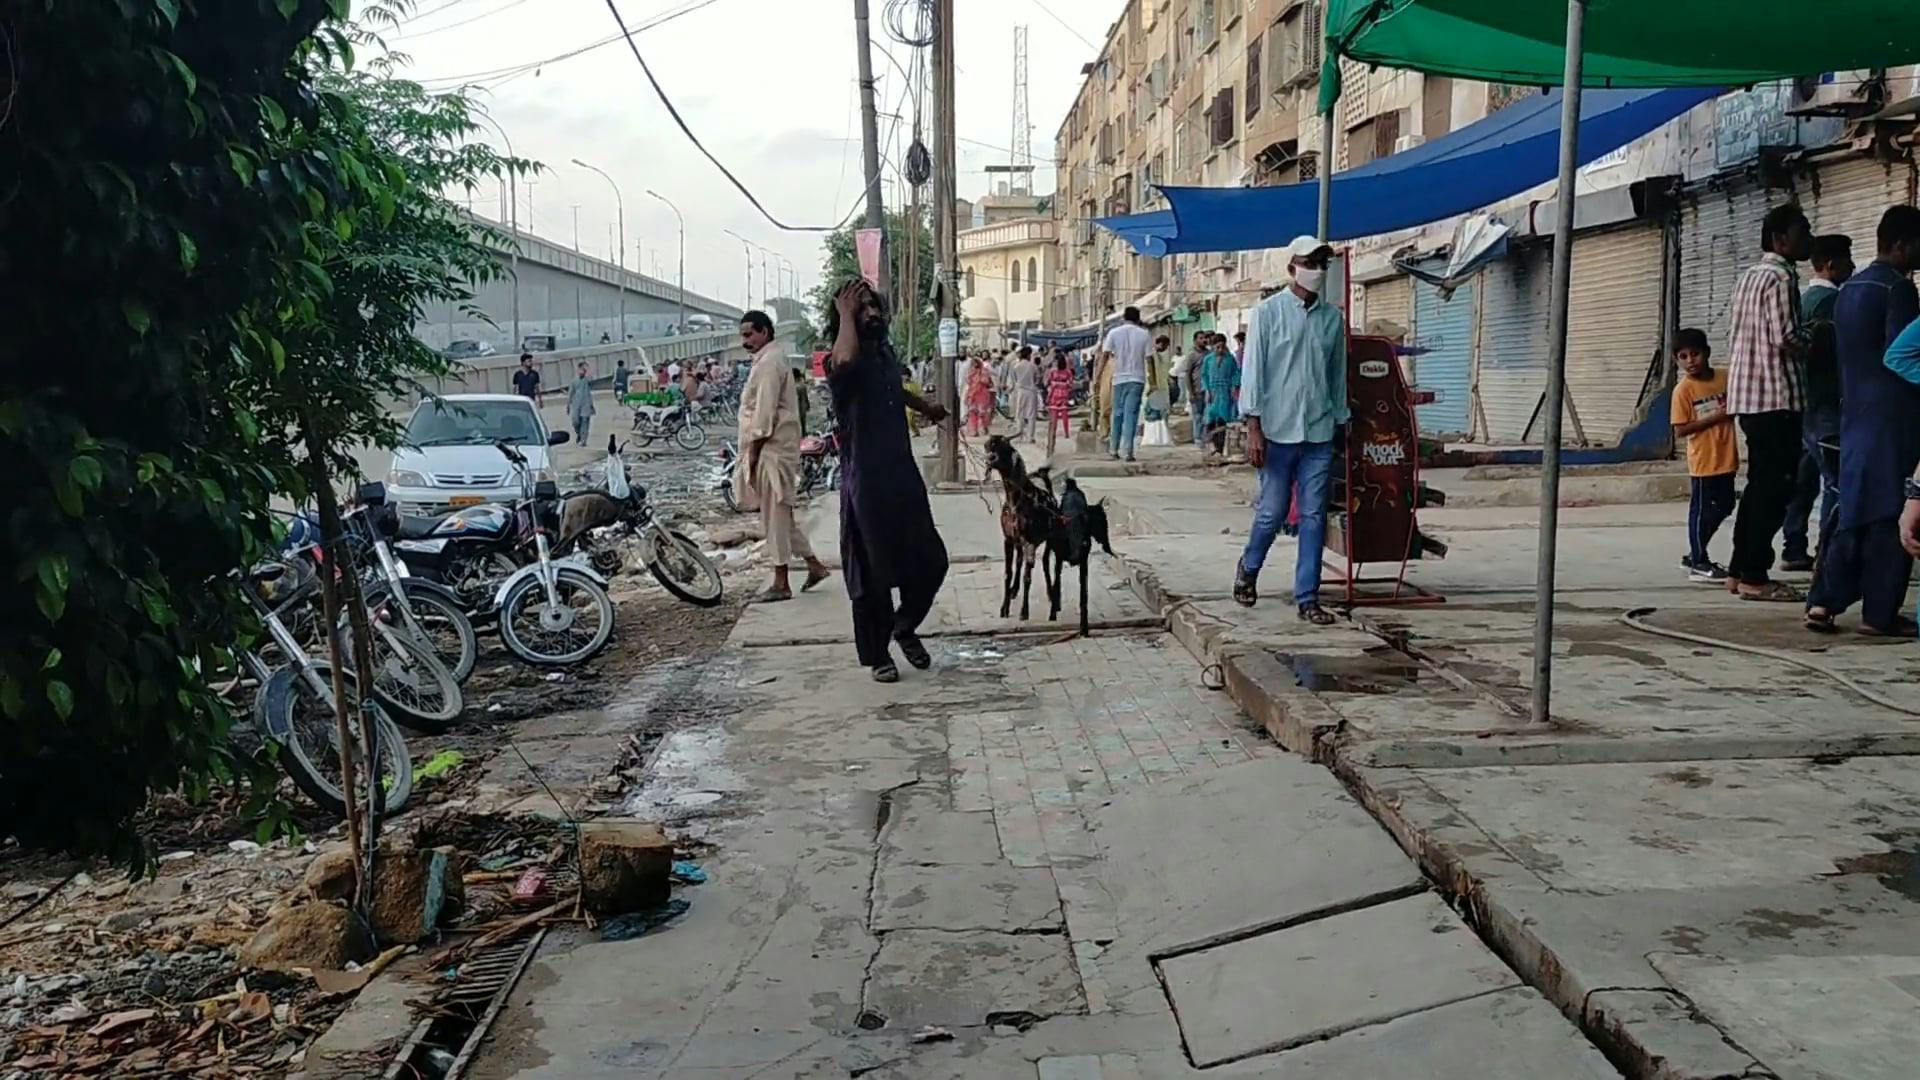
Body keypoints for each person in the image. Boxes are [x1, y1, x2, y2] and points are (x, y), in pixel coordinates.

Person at [824, 280, 951, 683]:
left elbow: (895, 389)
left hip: (902, 476)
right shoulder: (842, 361)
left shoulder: (884, 355)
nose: (872, 314)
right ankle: (878, 654)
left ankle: (904, 626)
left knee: (932, 561)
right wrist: (845, 315)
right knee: (872, 575)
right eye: (862, 309)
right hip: (867, 483)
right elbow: (843, 362)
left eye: (874, 307)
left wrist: (926, 407)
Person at [1805, 206, 1920, 636]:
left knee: (1852, 508)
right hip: (1893, 417)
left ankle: (1822, 601)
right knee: (1894, 512)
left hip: (1853, 413)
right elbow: (1902, 356)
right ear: (1903, 244)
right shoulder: (1898, 291)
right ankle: (1880, 613)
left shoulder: (1848, 289)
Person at [1233, 236, 1347, 626]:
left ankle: (1308, 597)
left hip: (1318, 429)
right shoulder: (1267, 313)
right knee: (1273, 511)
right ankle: (1249, 568)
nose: (1317, 270)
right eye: (1310, 263)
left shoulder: (1332, 319)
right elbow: (1254, 375)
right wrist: (1253, 427)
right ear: (1292, 268)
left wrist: (1341, 419)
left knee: (1314, 515)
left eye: (1322, 264)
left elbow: (1337, 376)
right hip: (1276, 431)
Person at [1724, 204, 1815, 602]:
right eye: (1803, 231)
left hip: (1750, 398)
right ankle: (1755, 575)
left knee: (1760, 485)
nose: (1808, 238)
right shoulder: (1781, 278)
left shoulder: (1749, 276)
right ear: (1781, 240)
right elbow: (1786, 337)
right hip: (1776, 397)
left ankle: (1739, 568)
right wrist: (1819, 339)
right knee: (1776, 488)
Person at [737, 310, 832, 603]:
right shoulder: (771, 360)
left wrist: (752, 456)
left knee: (774, 516)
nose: (745, 341)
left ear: (765, 332)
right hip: (774, 447)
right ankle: (814, 566)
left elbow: (763, 415)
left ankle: (781, 580)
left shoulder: (768, 364)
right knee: (781, 515)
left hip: (770, 450)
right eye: (742, 336)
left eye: (749, 334)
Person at [1780, 234, 1855, 570]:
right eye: (1848, 261)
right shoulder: (1828, 304)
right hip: (1825, 403)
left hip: (1804, 402)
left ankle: (1794, 546)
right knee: (1835, 483)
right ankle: (1828, 554)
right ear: (1831, 264)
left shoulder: (1805, 300)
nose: (1853, 267)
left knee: (1805, 480)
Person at [1670, 328, 1738, 583]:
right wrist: (1717, 417)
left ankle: (1695, 551)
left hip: (1726, 456)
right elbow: (1680, 429)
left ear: (1707, 353)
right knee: (1699, 511)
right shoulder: (1683, 391)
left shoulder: (1724, 377)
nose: (1690, 361)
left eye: (1695, 354)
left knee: (1726, 504)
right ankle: (1699, 561)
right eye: (1683, 357)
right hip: (1703, 461)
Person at [1102, 306, 1153, 461]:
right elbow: (1149, 359)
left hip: (1119, 379)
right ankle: (1128, 452)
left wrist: (1097, 377)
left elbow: (1104, 356)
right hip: (1137, 379)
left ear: (1124, 318)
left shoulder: (1113, 333)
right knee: (1131, 415)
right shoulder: (1145, 334)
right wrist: (1154, 381)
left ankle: (1113, 449)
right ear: (1138, 319)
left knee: (1117, 414)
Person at [1200, 333, 1241, 456]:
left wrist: (1234, 386)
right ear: (1212, 347)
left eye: (1222, 347)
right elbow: (1204, 375)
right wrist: (1207, 390)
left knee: (1223, 421)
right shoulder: (1208, 359)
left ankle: (1220, 448)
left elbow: (1236, 374)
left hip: (1225, 392)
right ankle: (1210, 444)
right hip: (1212, 392)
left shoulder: (1230, 359)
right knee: (1209, 420)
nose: (1220, 350)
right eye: (1217, 347)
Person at [1010, 346, 1043, 443]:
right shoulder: (1033, 366)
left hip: (1020, 391)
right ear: (1028, 355)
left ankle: (1019, 435)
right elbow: (1038, 378)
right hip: (1031, 392)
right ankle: (1030, 437)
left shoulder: (1016, 366)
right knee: (1031, 415)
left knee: (1019, 414)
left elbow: (1014, 380)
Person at [1045, 351, 1075, 454]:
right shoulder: (1068, 372)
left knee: (1053, 417)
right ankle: (1066, 433)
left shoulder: (1053, 372)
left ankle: (1053, 433)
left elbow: (1048, 383)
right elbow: (1070, 384)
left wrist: (1049, 396)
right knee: (1065, 415)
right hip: (1064, 395)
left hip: (1054, 395)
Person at [964, 355, 996, 436]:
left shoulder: (984, 371)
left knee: (982, 413)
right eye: (973, 363)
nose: (975, 365)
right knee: (972, 412)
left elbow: (987, 382)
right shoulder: (970, 372)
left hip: (982, 394)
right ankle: (974, 430)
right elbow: (968, 381)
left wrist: (980, 379)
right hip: (972, 394)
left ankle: (982, 428)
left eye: (976, 363)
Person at [567, 361, 595, 446]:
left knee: (585, 421)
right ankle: (579, 434)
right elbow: (570, 393)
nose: (583, 371)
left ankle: (583, 440)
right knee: (575, 422)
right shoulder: (574, 381)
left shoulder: (587, 380)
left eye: (584, 370)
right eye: (581, 369)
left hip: (586, 404)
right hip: (576, 405)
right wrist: (568, 404)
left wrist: (588, 369)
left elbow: (591, 379)